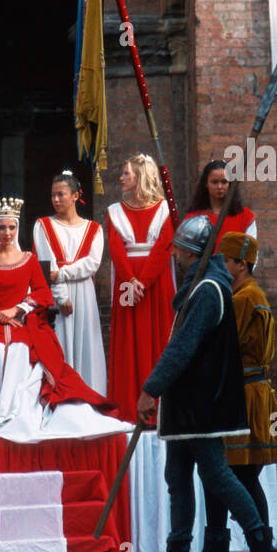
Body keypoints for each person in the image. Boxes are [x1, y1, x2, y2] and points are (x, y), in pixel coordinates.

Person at [134, 217, 277, 552]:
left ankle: (264, 551)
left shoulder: (209, 290)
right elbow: (181, 327)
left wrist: (151, 388)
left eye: (180, 251)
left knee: (218, 476)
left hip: (201, 405)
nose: (176, 256)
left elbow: (183, 347)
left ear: (189, 252)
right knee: (177, 479)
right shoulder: (201, 286)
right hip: (187, 406)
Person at [0, 197, 127, 443]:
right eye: (2, 227)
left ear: (17, 229)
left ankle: (15, 414)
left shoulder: (29, 259)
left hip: (22, 322)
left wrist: (18, 309)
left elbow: (43, 293)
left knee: (21, 350)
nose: (7, 233)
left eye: (11, 227)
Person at [189, 231, 277, 552]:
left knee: (239, 478)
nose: (221, 267)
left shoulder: (246, 297)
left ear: (240, 264)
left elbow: (226, 346)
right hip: (247, 391)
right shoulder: (241, 293)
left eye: (226, 262)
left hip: (245, 395)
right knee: (232, 476)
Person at [106, 155, 176, 423]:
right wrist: (130, 281)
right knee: (128, 342)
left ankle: (161, 410)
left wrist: (141, 282)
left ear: (140, 177)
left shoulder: (165, 210)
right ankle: (127, 407)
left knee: (158, 338)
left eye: (126, 174)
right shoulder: (114, 211)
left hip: (156, 283)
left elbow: (164, 247)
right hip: (128, 283)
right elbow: (115, 248)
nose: (121, 178)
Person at [32, 170, 106, 394]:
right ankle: (62, 396)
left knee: (87, 346)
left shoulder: (94, 229)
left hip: (85, 294)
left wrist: (62, 275)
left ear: (75, 196)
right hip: (58, 297)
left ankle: (90, 396)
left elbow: (92, 264)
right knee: (61, 345)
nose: (56, 200)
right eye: (53, 195)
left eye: (61, 195)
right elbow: (48, 264)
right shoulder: (43, 226)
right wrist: (61, 296)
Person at [184, 159, 258, 250]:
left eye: (224, 182)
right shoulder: (193, 218)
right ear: (206, 183)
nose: (219, 187)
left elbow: (250, 253)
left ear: (230, 184)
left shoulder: (245, 217)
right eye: (214, 182)